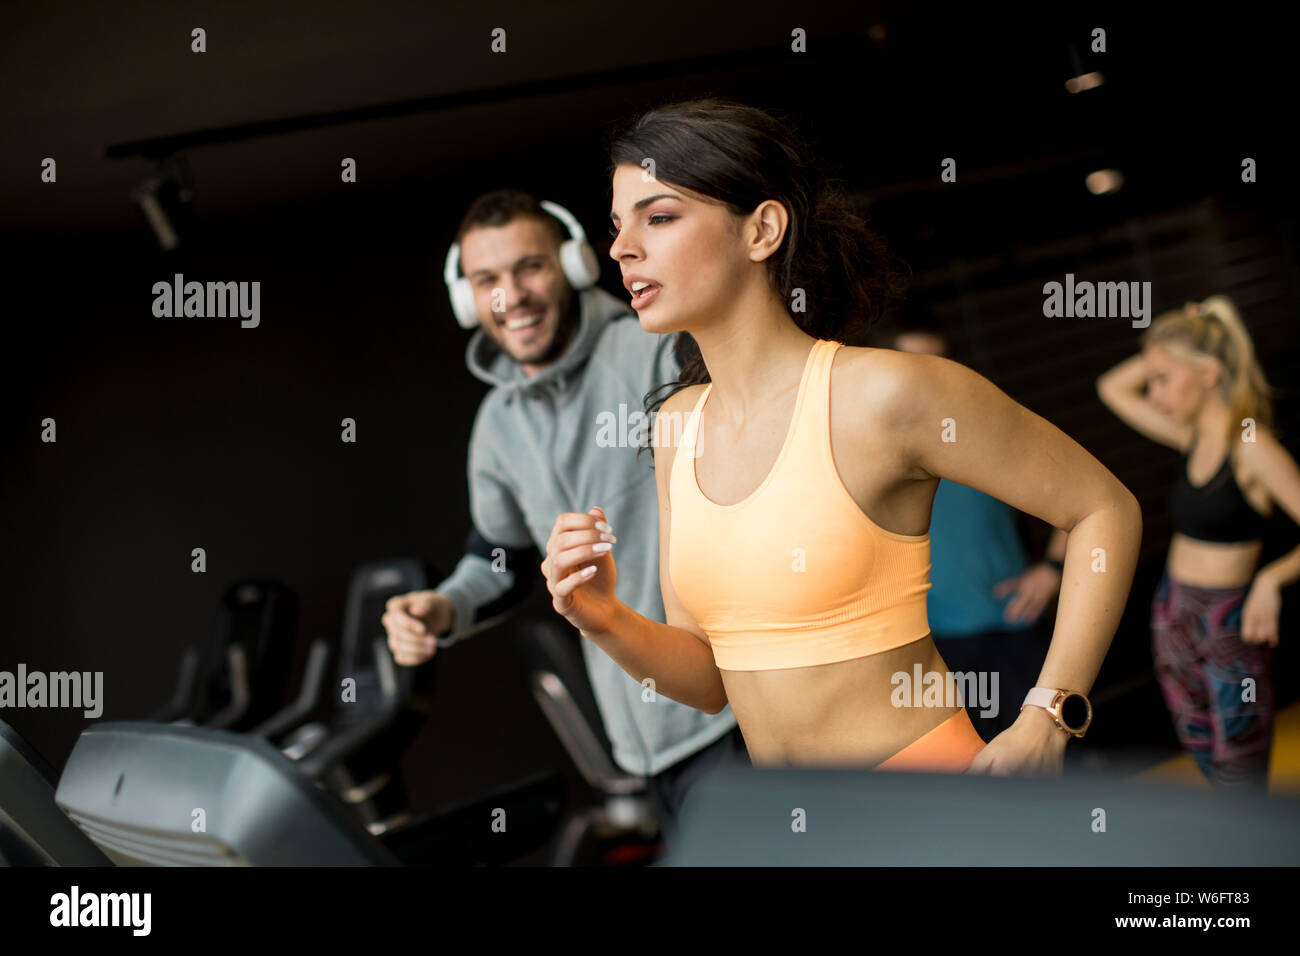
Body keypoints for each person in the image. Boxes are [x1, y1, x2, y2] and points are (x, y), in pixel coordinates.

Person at [542, 97, 1143, 775]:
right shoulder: (677, 427)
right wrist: (603, 616)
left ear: (762, 229)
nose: (622, 247)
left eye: (659, 217)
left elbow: (1104, 509)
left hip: (928, 798)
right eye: (618, 224)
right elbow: (711, 680)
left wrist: (1048, 714)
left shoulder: (886, 394)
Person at [380, 190, 742, 836]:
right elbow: (503, 559)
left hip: (736, 709)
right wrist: (442, 607)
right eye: (487, 279)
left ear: (574, 264)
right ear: (467, 299)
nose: (511, 294)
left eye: (530, 267)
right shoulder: (496, 424)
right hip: (643, 743)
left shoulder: (655, 349)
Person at [1098, 296, 1297, 788]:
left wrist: (1271, 581)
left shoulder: (1251, 443)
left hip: (1228, 629)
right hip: (1173, 619)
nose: (1154, 389)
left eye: (1164, 378)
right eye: (1154, 377)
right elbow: (1111, 388)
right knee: (1209, 768)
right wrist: (1184, 335)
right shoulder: (1191, 437)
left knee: (1240, 781)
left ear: (1208, 374)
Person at [887, 304, 1068, 743]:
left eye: (939, 363)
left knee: (1054, 765)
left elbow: (1079, 498)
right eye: (914, 366)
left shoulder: (990, 424)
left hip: (1014, 628)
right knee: (976, 782)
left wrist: (1053, 570)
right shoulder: (874, 443)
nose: (929, 377)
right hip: (934, 650)